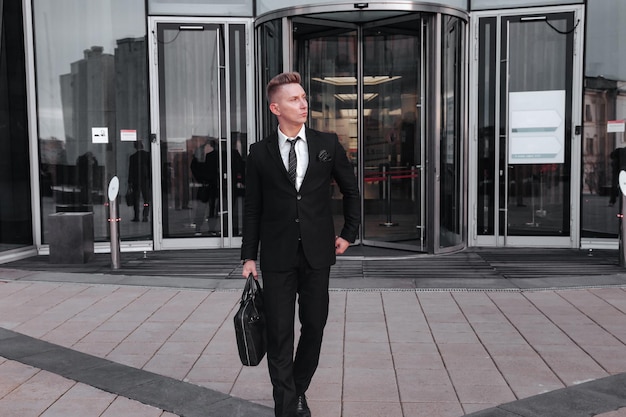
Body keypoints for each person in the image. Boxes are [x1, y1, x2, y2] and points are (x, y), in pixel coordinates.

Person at [241, 72, 360, 417]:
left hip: (318, 252)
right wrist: (249, 255)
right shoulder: (259, 153)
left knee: (315, 325)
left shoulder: (327, 144)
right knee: (279, 332)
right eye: (294, 99)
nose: (303, 103)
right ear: (275, 107)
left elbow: (350, 191)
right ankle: (287, 407)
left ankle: (296, 389)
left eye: (304, 97)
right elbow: (253, 208)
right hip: (277, 255)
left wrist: (348, 233)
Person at [190, 138, 219, 235]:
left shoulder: (210, 156)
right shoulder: (206, 156)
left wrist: (199, 179)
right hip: (208, 185)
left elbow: (195, 167)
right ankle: (206, 228)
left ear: (210, 146)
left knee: (208, 208)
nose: (205, 148)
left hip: (208, 185)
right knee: (207, 208)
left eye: (206, 146)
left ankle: (205, 228)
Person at [127, 141, 151, 222]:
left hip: (135, 180)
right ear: (142, 145)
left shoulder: (132, 157)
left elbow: (131, 170)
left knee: (136, 199)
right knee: (146, 199)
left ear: (135, 147)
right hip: (145, 180)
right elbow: (150, 168)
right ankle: (145, 215)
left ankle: (136, 216)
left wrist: (129, 182)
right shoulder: (147, 155)